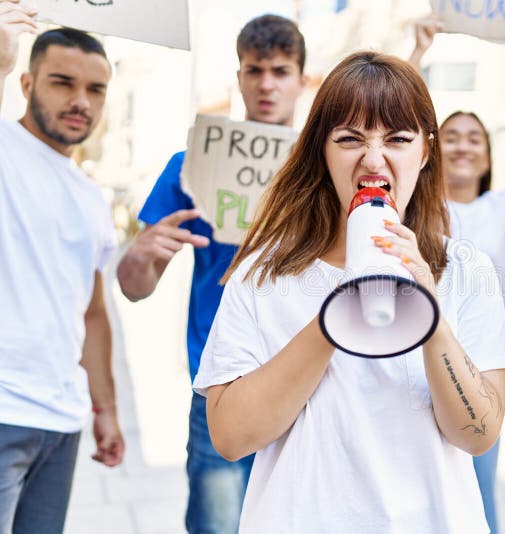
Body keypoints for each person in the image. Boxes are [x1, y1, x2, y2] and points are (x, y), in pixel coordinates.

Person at [192, 50, 505, 534]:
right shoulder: (262, 273)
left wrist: (431, 319)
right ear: (322, 151)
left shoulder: (467, 271)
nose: (373, 158)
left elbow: (478, 433)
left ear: (426, 152)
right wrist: (334, 319)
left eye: (398, 140)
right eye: (349, 139)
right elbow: (231, 437)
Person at [115, 14, 306, 533]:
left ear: (301, 79)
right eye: (255, 70)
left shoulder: (324, 169)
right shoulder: (191, 163)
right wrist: (143, 252)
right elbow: (134, 287)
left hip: (306, 379)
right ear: (239, 77)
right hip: (220, 378)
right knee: (217, 524)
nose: (267, 83)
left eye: (280, 71)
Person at [410, 20, 505, 531]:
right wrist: (417, 51)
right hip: (417, 356)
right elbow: (394, 133)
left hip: (481, 367)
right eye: (450, 136)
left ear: (487, 155)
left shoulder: (504, 206)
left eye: (474, 138)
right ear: (432, 151)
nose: (462, 145)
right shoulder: (417, 204)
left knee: (478, 491)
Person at [0, 8, 125, 532]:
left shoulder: (91, 198)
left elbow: (93, 313)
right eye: (62, 82)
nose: (80, 101)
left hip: (62, 421)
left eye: (95, 89)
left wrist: (105, 409)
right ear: (26, 82)